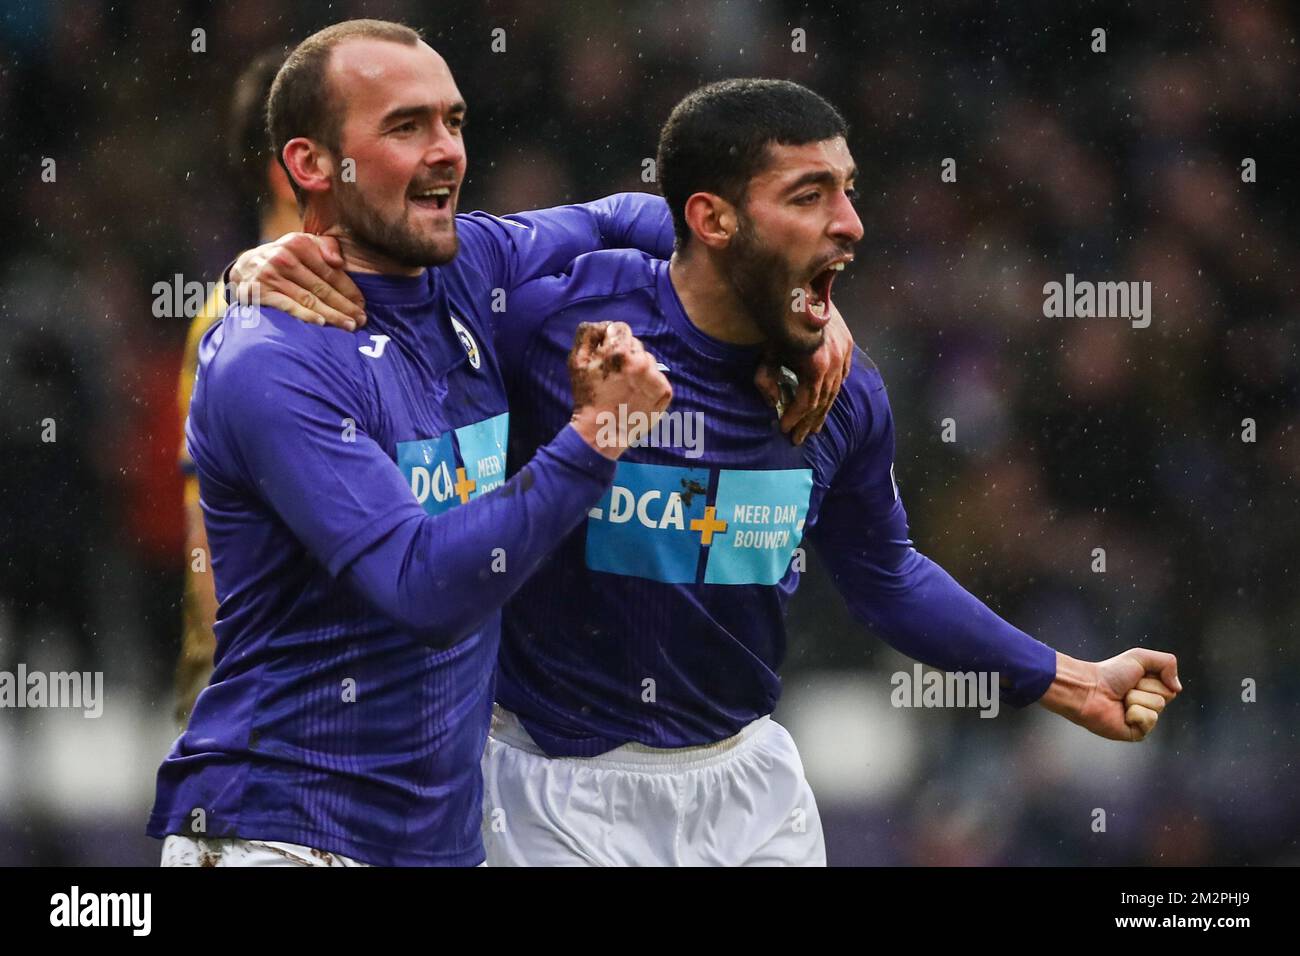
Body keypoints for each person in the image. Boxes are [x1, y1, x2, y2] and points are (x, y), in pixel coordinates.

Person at [249, 77, 1183, 867]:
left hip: (750, 787)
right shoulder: (553, 322)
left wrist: (1065, 678)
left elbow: (888, 576)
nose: (851, 224)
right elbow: (399, 282)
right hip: (550, 793)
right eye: (811, 195)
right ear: (712, 218)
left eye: (849, 191)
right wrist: (267, 267)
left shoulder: (841, 389)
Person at [147, 18, 674, 867]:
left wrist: (805, 308)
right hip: (281, 836)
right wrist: (596, 435)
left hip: (435, 846)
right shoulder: (269, 349)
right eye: (406, 126)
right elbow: (423, 587)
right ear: (310, 164)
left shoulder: (471, 268)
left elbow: (629, 215)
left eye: (454, 121)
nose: (447, 151)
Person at [174, 49, 301, 726]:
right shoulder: (234, 322)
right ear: (291, 166)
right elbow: (207, 528)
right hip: (263, 704)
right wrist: (242, 700)